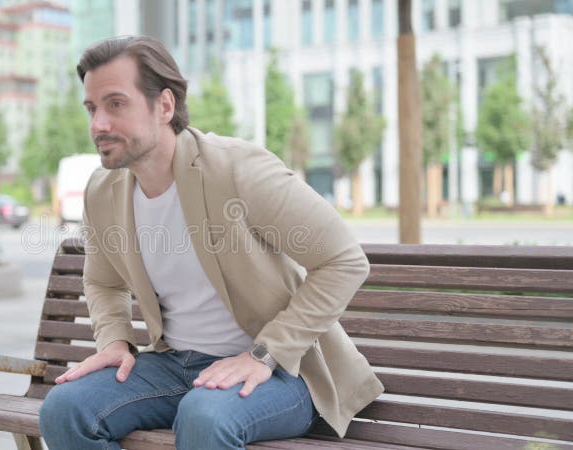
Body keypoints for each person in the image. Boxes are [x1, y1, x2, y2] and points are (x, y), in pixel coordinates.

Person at [39, 35, 383, 450]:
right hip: (172, 364)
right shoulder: (103, 189)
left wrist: (265, 354)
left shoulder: (235, 168)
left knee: (204, 415)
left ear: (164, 106)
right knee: (64, 409)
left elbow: (344, 261)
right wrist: (113, 340)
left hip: (281, 373)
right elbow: (103, 282)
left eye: (116, 104)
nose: (98, 125)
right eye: (92, 108)